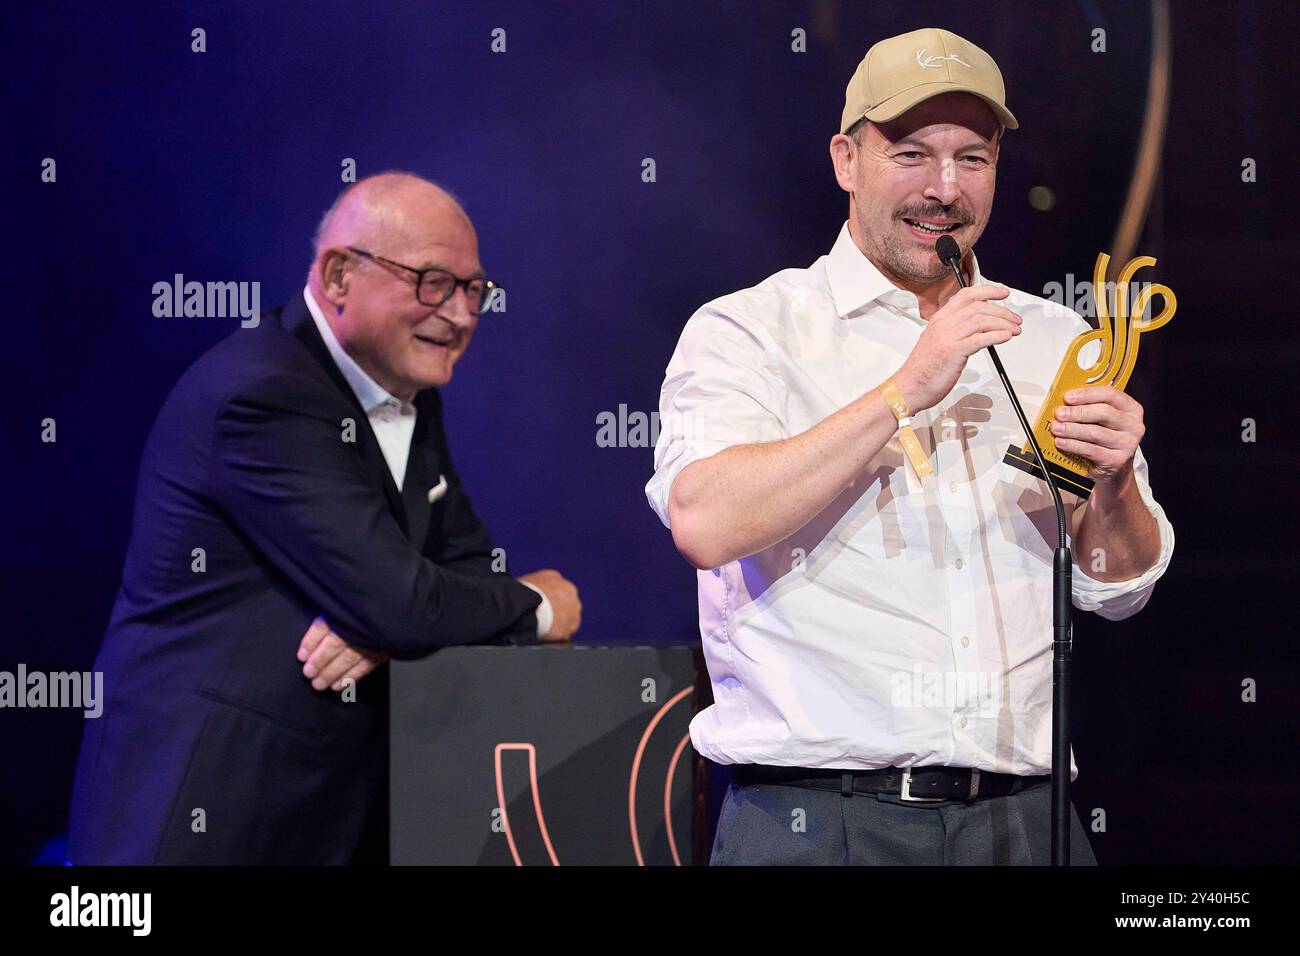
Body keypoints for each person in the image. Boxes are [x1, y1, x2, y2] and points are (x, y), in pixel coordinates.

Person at [646, 28, 1173, 865]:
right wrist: (901, 393)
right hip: (816, 821)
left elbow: (1118, 588)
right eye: (912, 153)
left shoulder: (1052, 339)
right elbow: (706, 521)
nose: (944, 187)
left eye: (973, 156)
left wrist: (1115, 492)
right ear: (845, 160)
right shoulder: (750, 329)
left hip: (1024, 824)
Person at [68, 172, 581, 864]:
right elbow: (405, 602)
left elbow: (451, 574)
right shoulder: (265, 391)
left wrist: (395, 621)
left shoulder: (410, 394)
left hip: (331, 817)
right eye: (432, 281)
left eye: (473, 290)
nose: (460, 313)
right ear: (339, 275)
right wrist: (536, 602)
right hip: (207, 816)